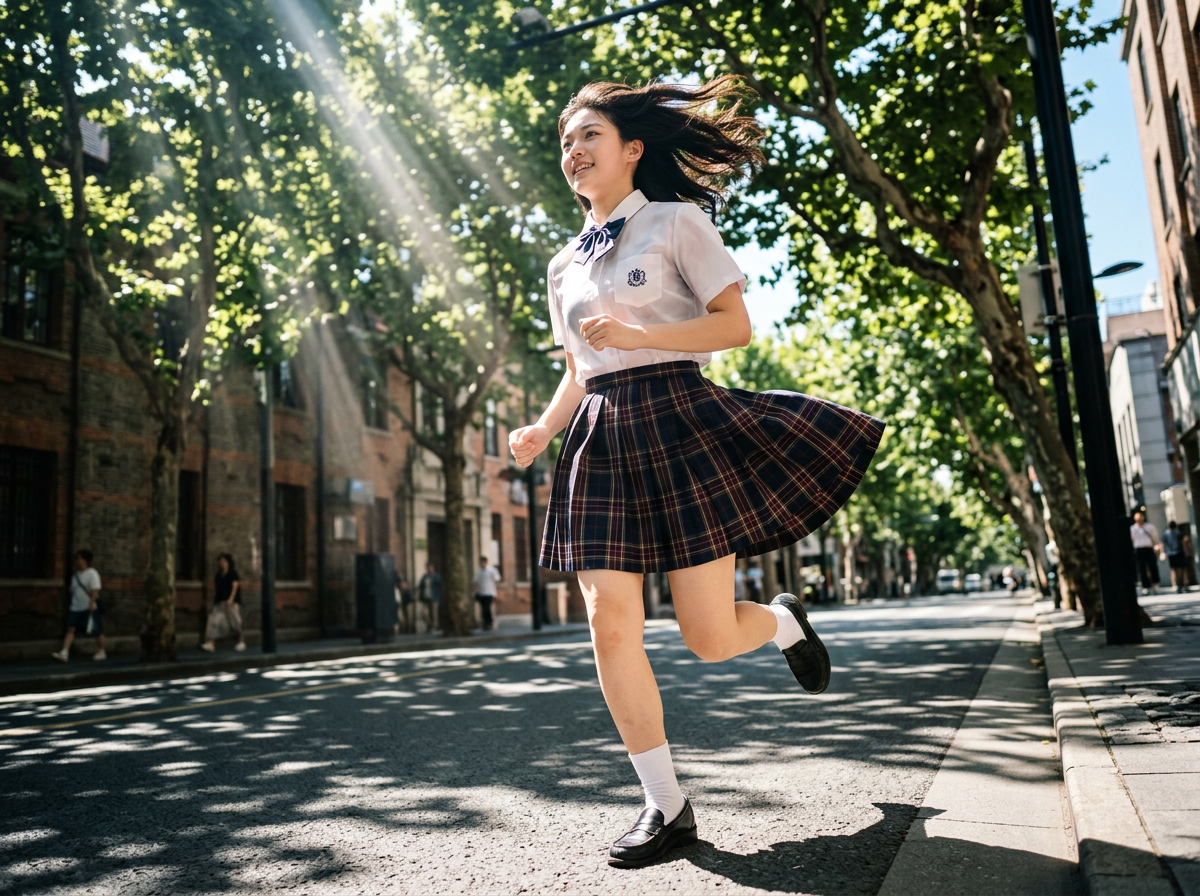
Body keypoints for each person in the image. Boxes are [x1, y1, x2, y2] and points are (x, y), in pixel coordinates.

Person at [508, 77, 884, 869]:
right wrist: (544, 427)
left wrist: (640, 332)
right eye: (566, 143)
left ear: (633, 149)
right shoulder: (561, 265)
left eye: (590, 136)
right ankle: (666, 806)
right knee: (609, 621)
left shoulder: (677, 222)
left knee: (709, 638)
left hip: (680, 420)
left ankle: (782, 623)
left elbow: (733, 326)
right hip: (602, 434)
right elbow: (578, 367)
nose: (574, 152)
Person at [52, 549, 106, 662]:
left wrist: (91, 604)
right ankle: (64, 652)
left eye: (79, 558)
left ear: (85, 561)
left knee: (97, 631)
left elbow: (95, 590)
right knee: (70, 628)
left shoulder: (92, 573)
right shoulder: (75, 576)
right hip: (75, 607)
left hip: (90, 607)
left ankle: (101, 651)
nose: (77, 561)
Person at [201, 553, 245, 652]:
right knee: (214, 621)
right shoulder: (218, 575)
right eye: (220, 561)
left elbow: (235, 587)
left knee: (235, 622)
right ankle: (211, 643)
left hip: (231, 602)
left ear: (228, 562)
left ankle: (241, 641)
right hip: (220, 601)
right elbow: (217, 590)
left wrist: (231, 599)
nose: (222, 563)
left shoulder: (233, 574)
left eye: (224, 561)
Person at [1130, 510, 1161, 593]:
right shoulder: (1133, 528)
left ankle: (1155, 583)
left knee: (1153, 566)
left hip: (1149, 548)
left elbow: (1155, 537)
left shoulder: (1149, 527)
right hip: (1139, 549)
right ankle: (1145, 586)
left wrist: (1157, 545)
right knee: (1141, 568)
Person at [474, 556, 501, 630]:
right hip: (481, 593)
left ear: (486, 562)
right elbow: (475, 582)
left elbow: (496, 580)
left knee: (487, 608)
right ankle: (486, 623)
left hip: (490, 592)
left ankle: (489, 623)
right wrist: (476, 592)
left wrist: (495, 592)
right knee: (484, 609)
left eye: (483, 562)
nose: (482, 564)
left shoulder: (492, 570)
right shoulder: (478, 572)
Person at [1163, 521, 1189, 593]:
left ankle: (1176, 585)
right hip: (1179, 552)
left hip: (1171, 553)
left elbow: (1164, 544)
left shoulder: (1166, 534)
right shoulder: (1178, 532)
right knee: (1182, 569)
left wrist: (1164, 552)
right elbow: (1183, 542)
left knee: (1174, 570)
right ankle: (1184, 584)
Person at [417, 562, 441, 633]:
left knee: (434, 613)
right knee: (426, 613)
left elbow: (440, 587)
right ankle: (429, 626)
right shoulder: (425, 577)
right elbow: (420, 586)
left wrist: (439, 596)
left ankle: (435, 627)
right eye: (428, 568)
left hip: (434, 597)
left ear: (433, 568)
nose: (429, 569)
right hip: (426, 598)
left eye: (430, 568)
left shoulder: (436, 577)